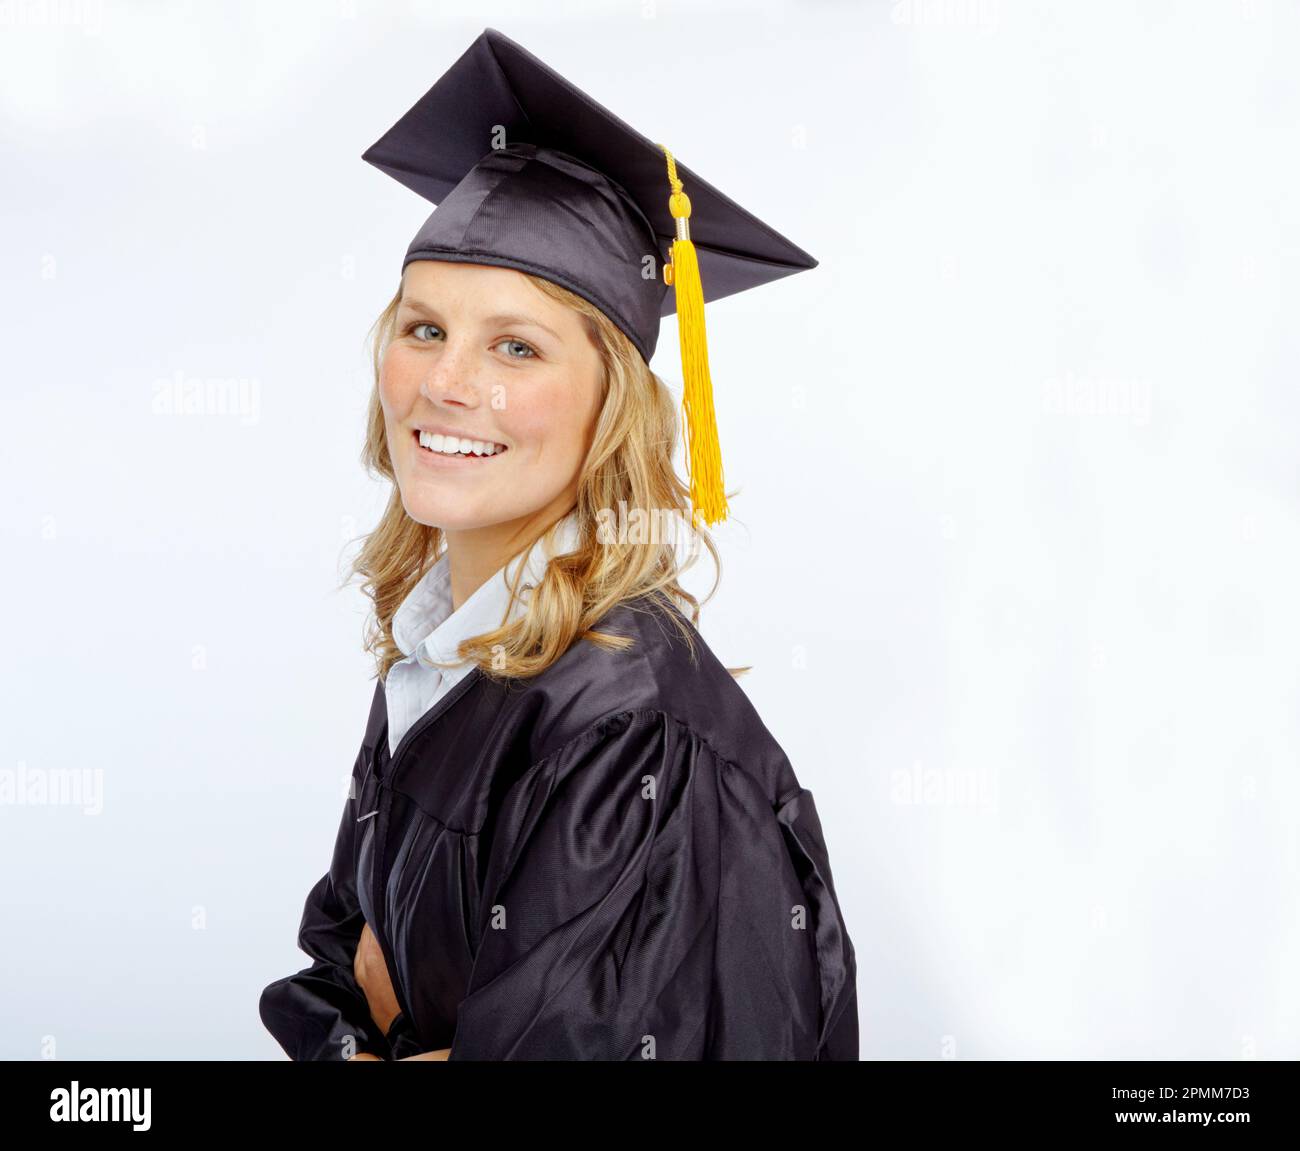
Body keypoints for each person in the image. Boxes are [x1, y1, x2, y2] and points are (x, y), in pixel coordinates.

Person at [258, 26, 858, 1061]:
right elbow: (331, 964)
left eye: (516, 346)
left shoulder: (629, 730)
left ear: (610, 407)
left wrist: (396, 1017)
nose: (446, 383)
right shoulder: (439, 652)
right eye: (423, 327)